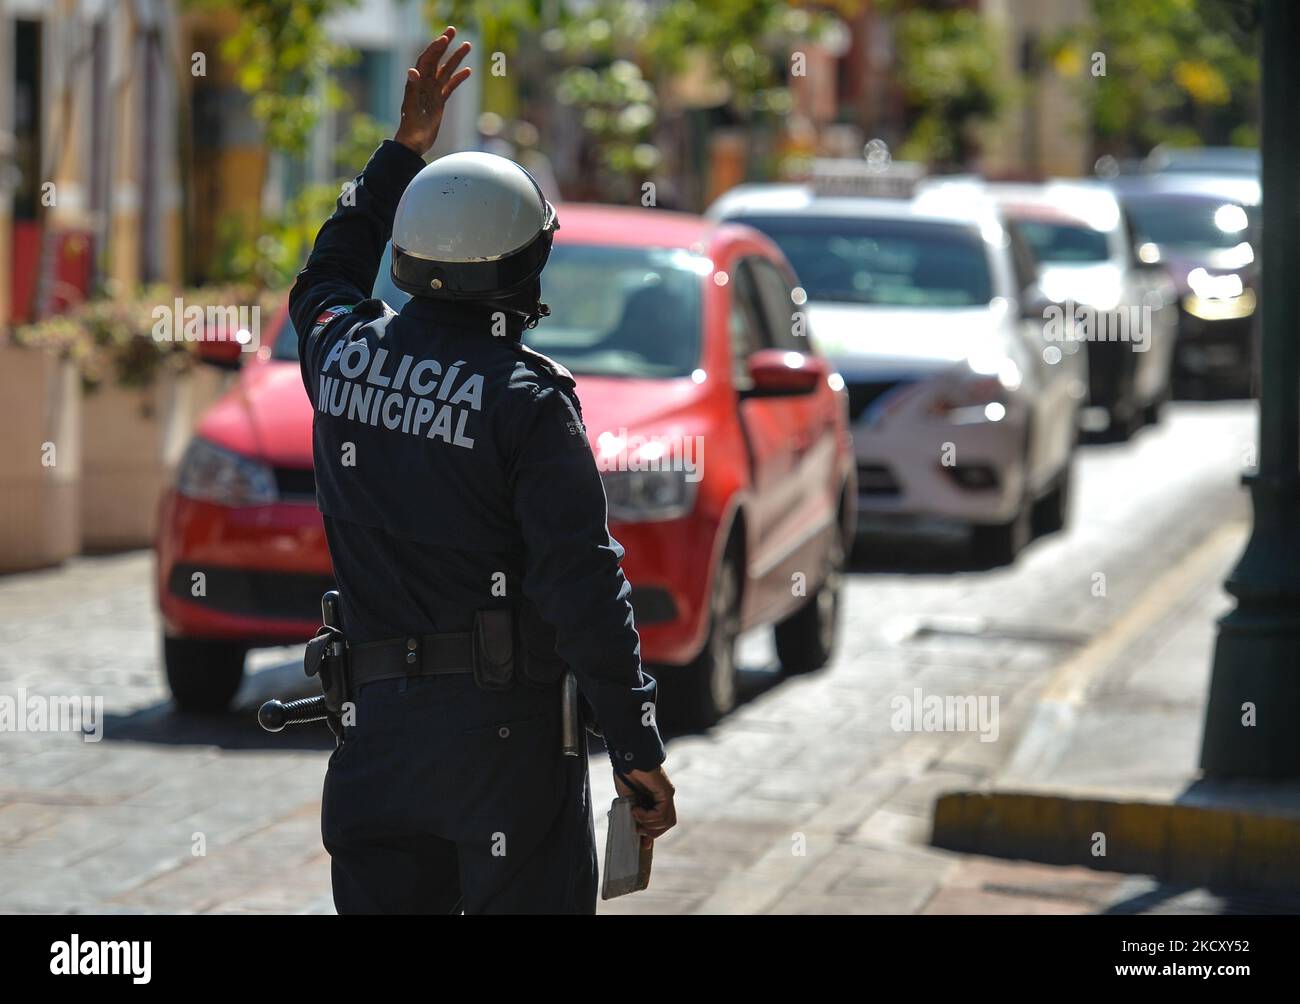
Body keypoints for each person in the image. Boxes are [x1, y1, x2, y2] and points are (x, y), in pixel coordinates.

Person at [288, 27, 676, 914]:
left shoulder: (340, 353)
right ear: (524, 269)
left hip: (374, 745)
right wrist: (637, 747)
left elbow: (326, 272)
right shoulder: (527, 401)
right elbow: (584, 588)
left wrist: (401, 154)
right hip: (505, 753)